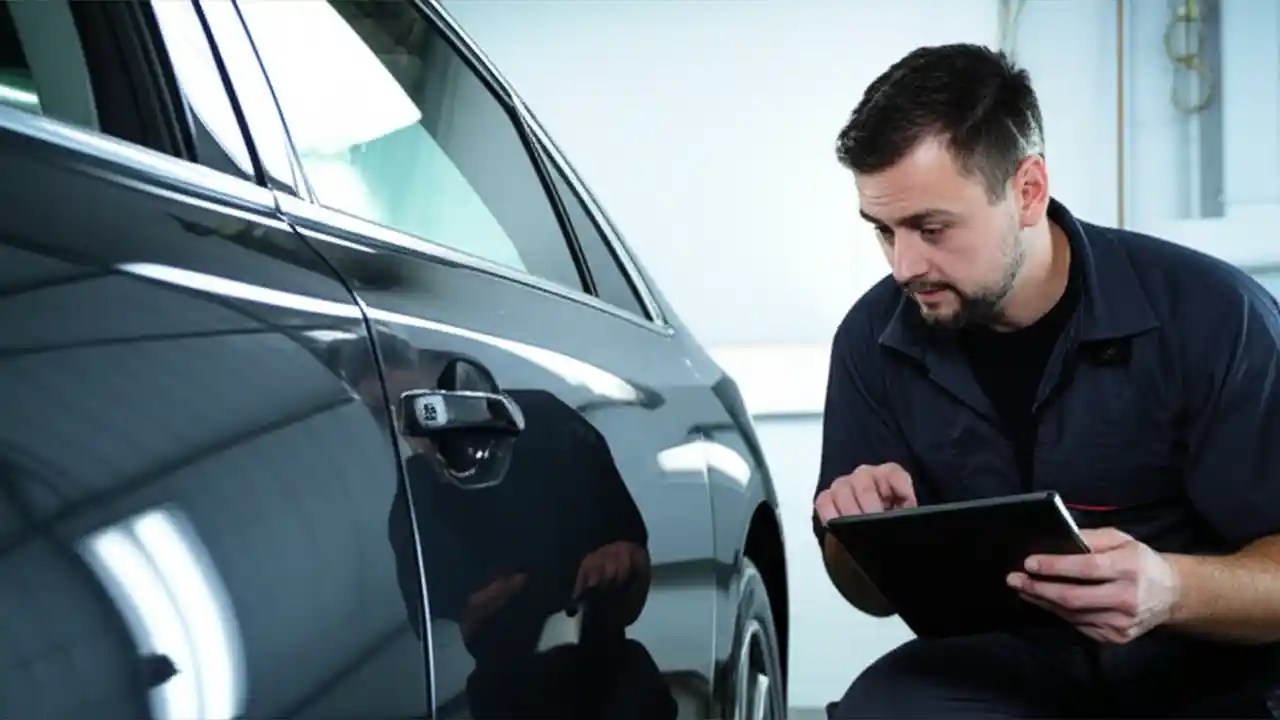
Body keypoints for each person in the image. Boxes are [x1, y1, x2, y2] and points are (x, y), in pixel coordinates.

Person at [812, 43, 1280, 718]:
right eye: (883, 231)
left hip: (1212, 669)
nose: (904, 265)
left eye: (931, 228)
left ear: (1027, 190)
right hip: (1006, 669)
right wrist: (858, 534)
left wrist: (1172, 589)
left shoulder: (1215, 317)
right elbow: (869, 596)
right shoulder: (869, 341)